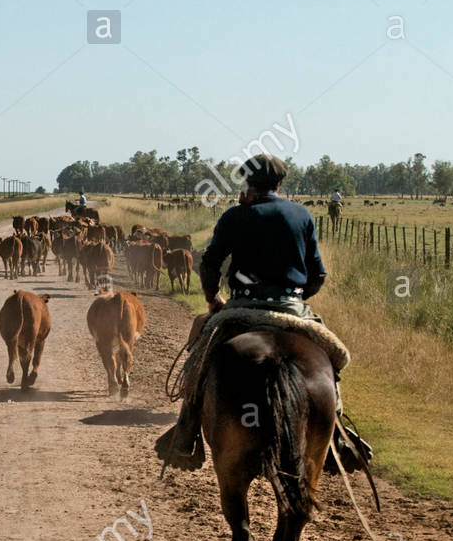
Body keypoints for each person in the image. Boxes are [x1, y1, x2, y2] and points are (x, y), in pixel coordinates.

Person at [154, 154, 370, 470]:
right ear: (280, 183)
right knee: (331, 360)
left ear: (248, 183)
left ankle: (186, 432)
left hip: (241, 306)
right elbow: (318, 275)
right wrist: (299, 299)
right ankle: (335, 432)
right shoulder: (301, 215)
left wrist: (213, 297)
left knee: (200, 355)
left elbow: (210, 263)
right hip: (291, 307)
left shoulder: (235, 216)